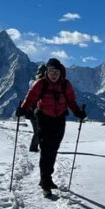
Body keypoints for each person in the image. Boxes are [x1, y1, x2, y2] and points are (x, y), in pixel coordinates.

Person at [16, 58, 86, 193]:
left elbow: (71, 101)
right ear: (46, 72)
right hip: (43, 117)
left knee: (53, 149)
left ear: (61, 73)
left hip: (59, 119)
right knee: (46, 148)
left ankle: (48, 177)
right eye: (51, 72)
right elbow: (30, 98)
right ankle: (45, 181)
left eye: (56, 72)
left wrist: (78, 112)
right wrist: (23, 109)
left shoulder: (66, 85)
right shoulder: (40, 84)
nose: (53, 75)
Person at [27, 64, 46, 152]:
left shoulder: (33, 83)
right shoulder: (39, 84)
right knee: (38, 131)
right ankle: (33, 148)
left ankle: (35, 147)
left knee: (39, 131)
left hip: (34, 111)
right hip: (36, 111)